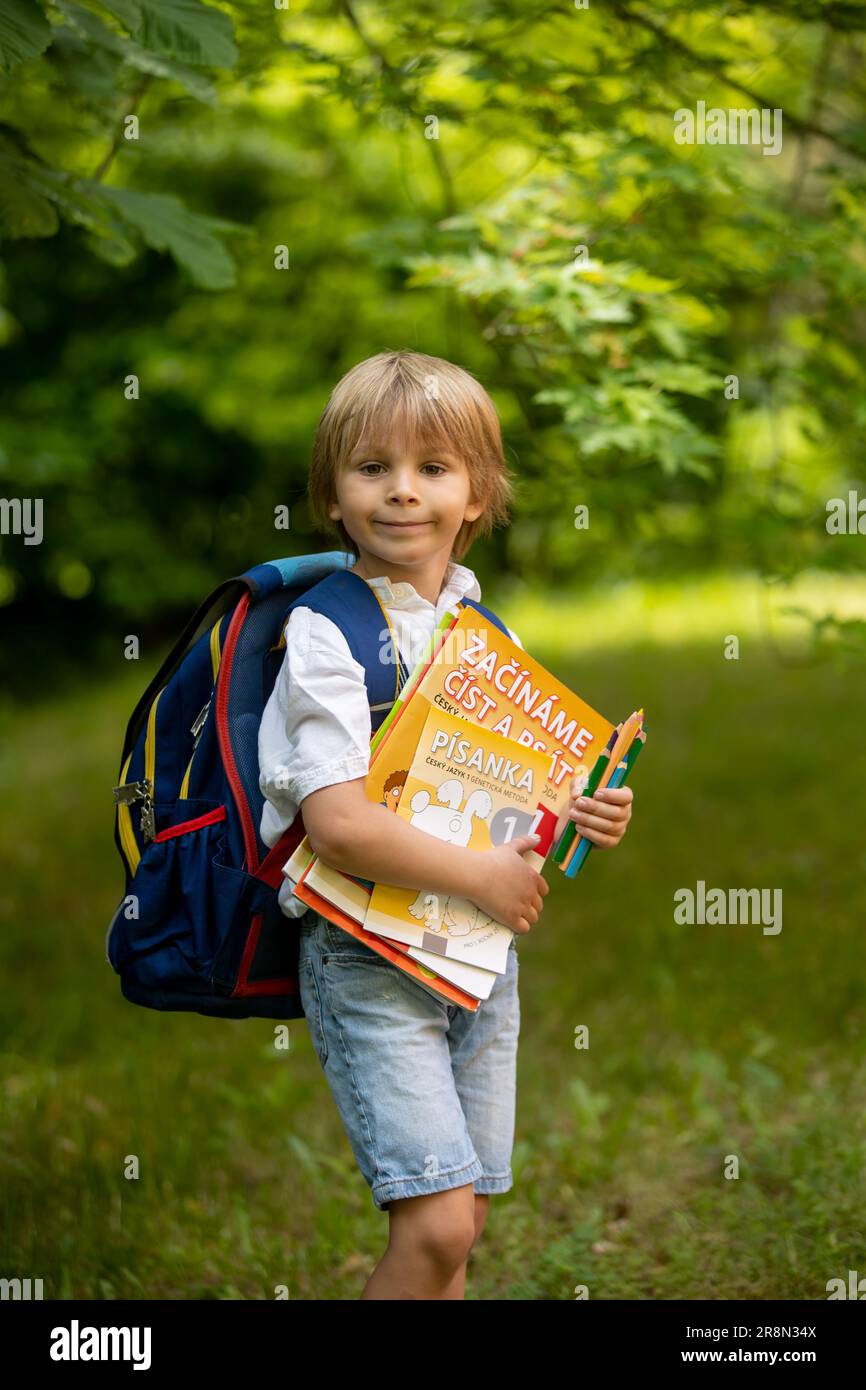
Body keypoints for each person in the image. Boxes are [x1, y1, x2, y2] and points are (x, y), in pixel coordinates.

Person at [258, 349, 634, 1299]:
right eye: (372, 468)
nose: (401, 493)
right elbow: (337, 822)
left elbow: (513, 811)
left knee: (460, 1226)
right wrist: (481, 879)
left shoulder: (484, 634)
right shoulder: (325, 632)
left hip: (472, 959)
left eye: (432, 469)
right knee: (429, 1226)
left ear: (476, 495)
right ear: (333, 493)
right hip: (365, 957)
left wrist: (581, 814)